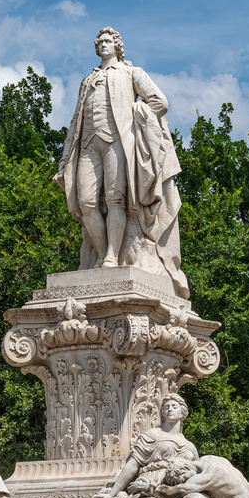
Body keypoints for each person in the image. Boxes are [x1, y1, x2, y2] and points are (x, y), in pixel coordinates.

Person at [54, 27, 188, 298]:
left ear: (117, 46)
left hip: (118, 142)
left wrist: (139, 114)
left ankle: (112, 257)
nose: (103, 45)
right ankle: (102, 255)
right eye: (100, 42)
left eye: (108, 42)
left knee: (116, 199)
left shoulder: (131, 72)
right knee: (86, 202)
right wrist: (64, 157)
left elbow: (159, 102)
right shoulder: (86, 80)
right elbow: (75, 122)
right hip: (89, 145)